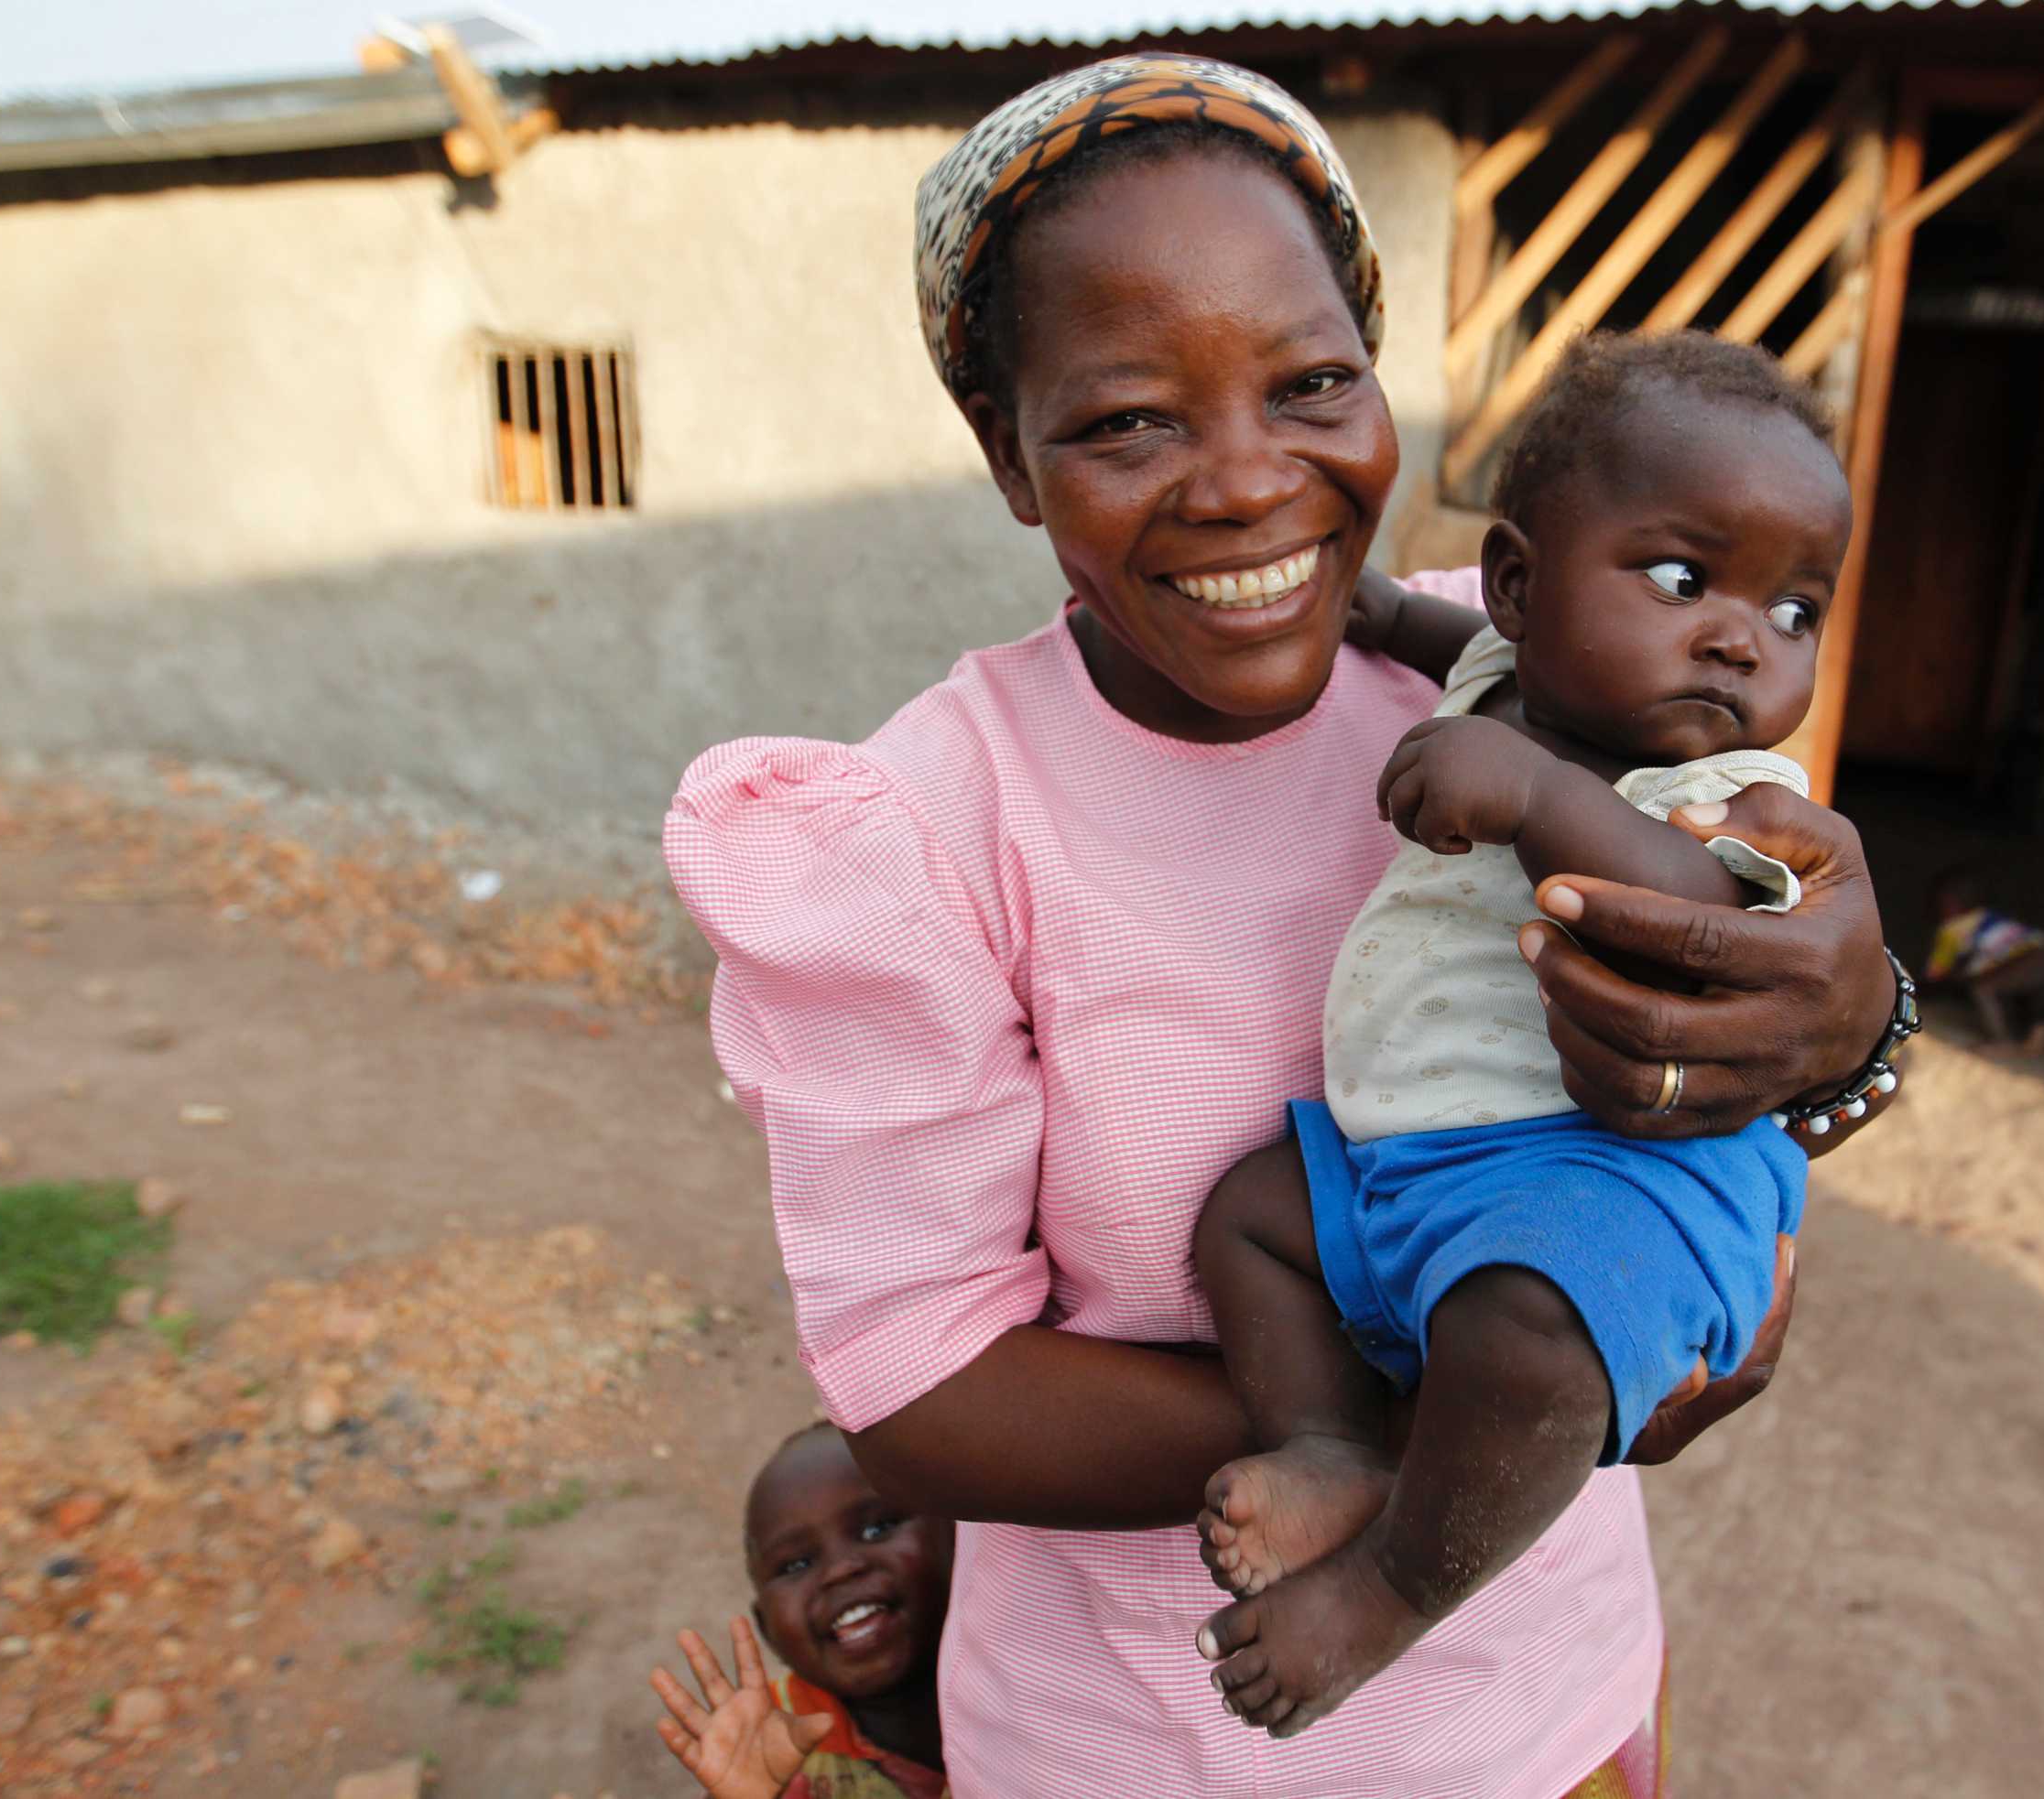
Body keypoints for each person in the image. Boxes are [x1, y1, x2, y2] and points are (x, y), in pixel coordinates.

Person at [664, 52, 1905, 1798]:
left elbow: (1762, 889)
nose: (1247, 485)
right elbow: (923, 1393)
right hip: (1159, 1747)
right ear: (1008, 460)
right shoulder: (922, 835)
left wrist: (1858, 1018)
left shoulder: (1526, 661)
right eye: (1126, 419)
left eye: (1312, 383)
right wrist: (1497, 1420)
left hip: (1551, 1703)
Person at [1191, 331, 1862, 1738]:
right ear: (1515, 583)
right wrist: (1374, 615)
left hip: (1614, 1178)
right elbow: (1468, 651)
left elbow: (1693, 910)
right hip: (1416, 1161)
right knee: (1248, 1216)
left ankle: (1389, 1593)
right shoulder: (1502, 669)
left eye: (1796, 610)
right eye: (1683, 580)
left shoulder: (1728, 790)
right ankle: (1327, 1441)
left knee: (1531, 1338)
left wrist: (1535, 796)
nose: (1742, 638)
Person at [650, 1423, 953, 1799]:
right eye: (796, 1565)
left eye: (877, 1529)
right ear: (768, 1632)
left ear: (958, 1537)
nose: (841, 1569)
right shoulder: (773, 1750)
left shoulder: (1035, 1674)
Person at [1925, 864, 2044, 1055]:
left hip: (2025, 957)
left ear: (1950, 903)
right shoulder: (1986, 916)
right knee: (2036, 994)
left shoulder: (1953, 929)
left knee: (1982, 988)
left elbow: (1935, 973)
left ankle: (2000, 1040)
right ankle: (2037, 1041)